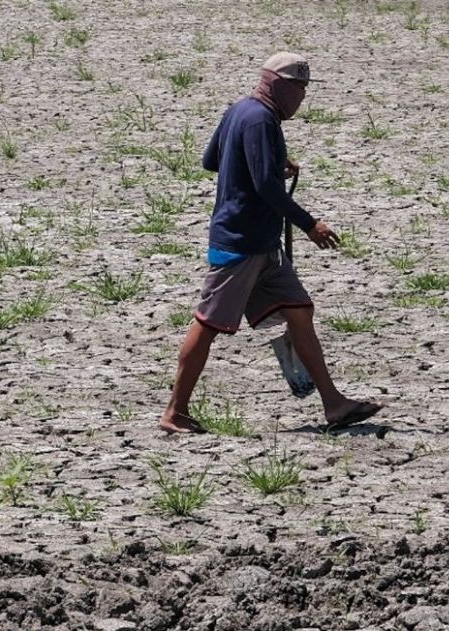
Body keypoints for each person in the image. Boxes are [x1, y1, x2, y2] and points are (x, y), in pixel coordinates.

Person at [159, 52, 383, 435]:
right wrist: (309, 224)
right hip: (240, 244)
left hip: (264, 245)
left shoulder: (240, 110)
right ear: (278, 85)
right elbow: (263, 186)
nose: (302, 96)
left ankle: (334, 404)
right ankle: (175, 411)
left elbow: (213, 160)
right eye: (298, 87)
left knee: (299, 309)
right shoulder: (261, 120)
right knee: (208, 323)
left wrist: (273, 159)